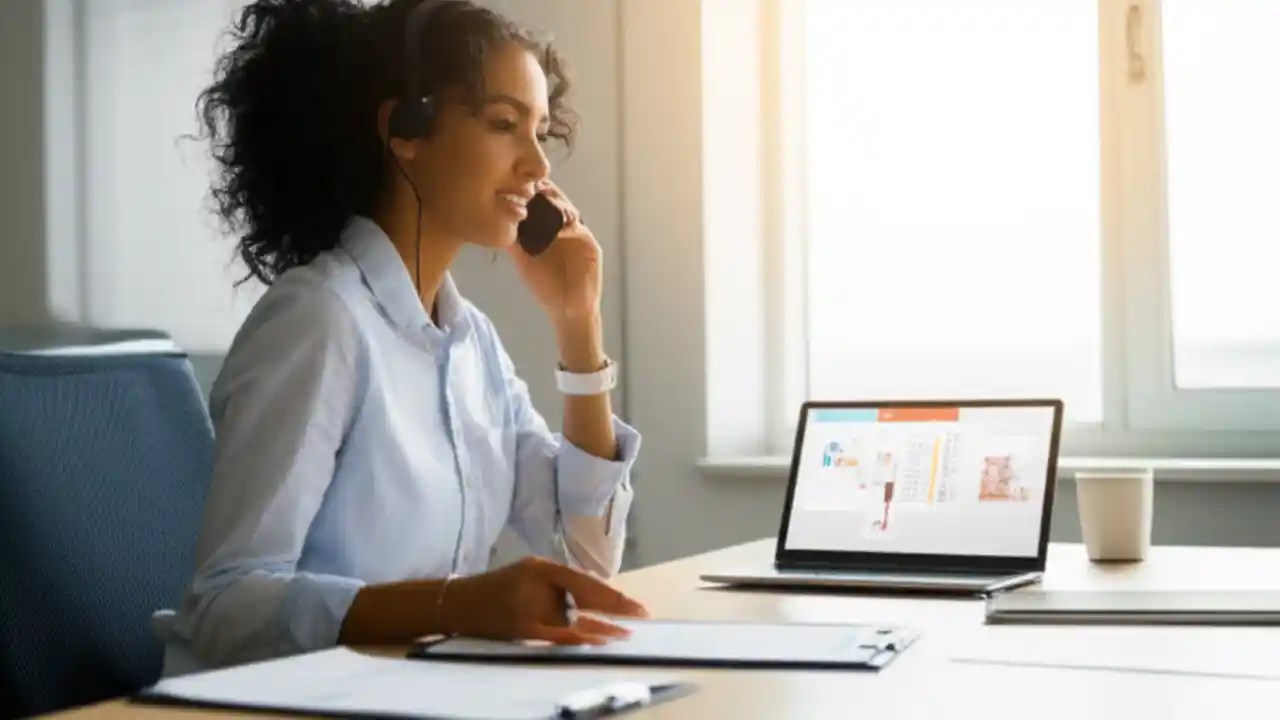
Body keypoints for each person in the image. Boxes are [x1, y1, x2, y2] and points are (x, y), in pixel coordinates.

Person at [158, 0, 647, 674]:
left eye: (541, 131)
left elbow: (588, 554)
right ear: (406, 128)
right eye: (505, 125)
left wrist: (577, 322)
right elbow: (225, 607)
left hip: (404, 694)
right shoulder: (320, 321)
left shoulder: (470, 342)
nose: (537, 164)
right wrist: (453, 607)